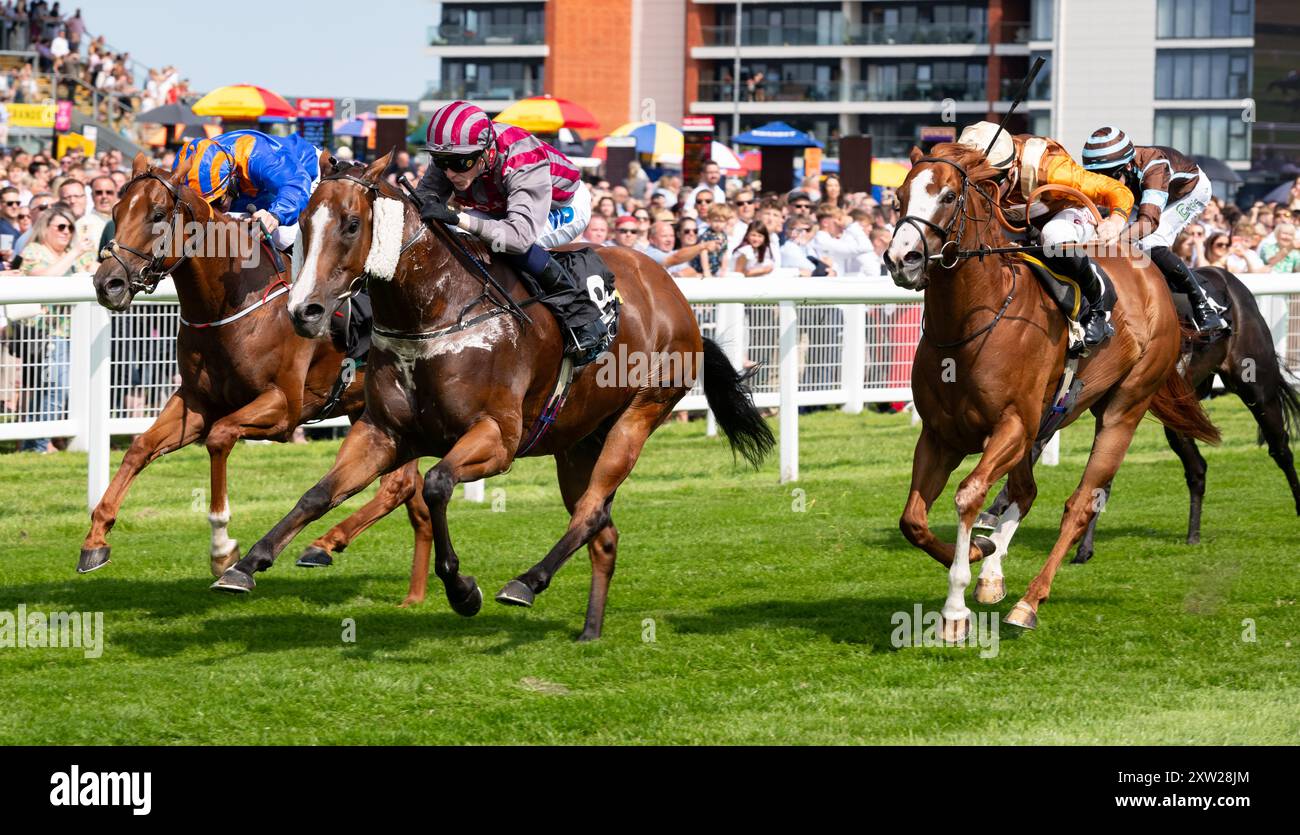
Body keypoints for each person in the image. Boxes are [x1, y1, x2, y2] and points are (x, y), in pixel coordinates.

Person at [415, 100, 606, 363]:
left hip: (560, 207)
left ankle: (583, 317)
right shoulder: (457, 151)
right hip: (503, 206)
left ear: (486, 153)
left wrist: (457, 217)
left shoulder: (522, 158)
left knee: (506, 247)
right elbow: (422, 205)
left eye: (459, 163)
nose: (448, 172)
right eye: (441, 161)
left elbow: (518, 237)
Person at [956, 121, 1136, 348]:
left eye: (993, 182)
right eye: (977, 184)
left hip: (1068, 212)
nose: (984, 191)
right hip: (1020, 221)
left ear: (1012, 168)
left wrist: (1116, 220)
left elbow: (1116, 190)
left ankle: (1099, 303)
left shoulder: (1051, 168)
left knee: (1053, 236)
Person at [1080, 125, 1229, 337]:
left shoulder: (1155, 168)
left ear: (1128, 167)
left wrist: (1115, 238)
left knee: (1149, 242)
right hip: (1141, 194)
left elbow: (1149, 222)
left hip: (1189, 192)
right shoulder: (1119, 170)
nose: (1105, 186)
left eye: (1109, 178)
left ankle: (1204, 305)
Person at [16, 202, 95, 452]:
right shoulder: (35, 251)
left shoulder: (69, 255)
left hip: (71, 333)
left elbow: (90, 272)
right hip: (45, 333)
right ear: (45, 228)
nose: (67, 232)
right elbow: (45, 280)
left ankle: (33, 443)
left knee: (51, 390)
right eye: (61, 226)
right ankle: (39, 444)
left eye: (70, 228)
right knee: (54, 389)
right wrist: (75, 253)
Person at [173, 128, 320, 251]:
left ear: (232, 178)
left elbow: (295, 184)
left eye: (217, 201)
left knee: (282, 236)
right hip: (264, 195)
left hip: (308, 177)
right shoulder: (191, 170)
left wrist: (275, 216)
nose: (216, 209)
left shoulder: (257, 154)